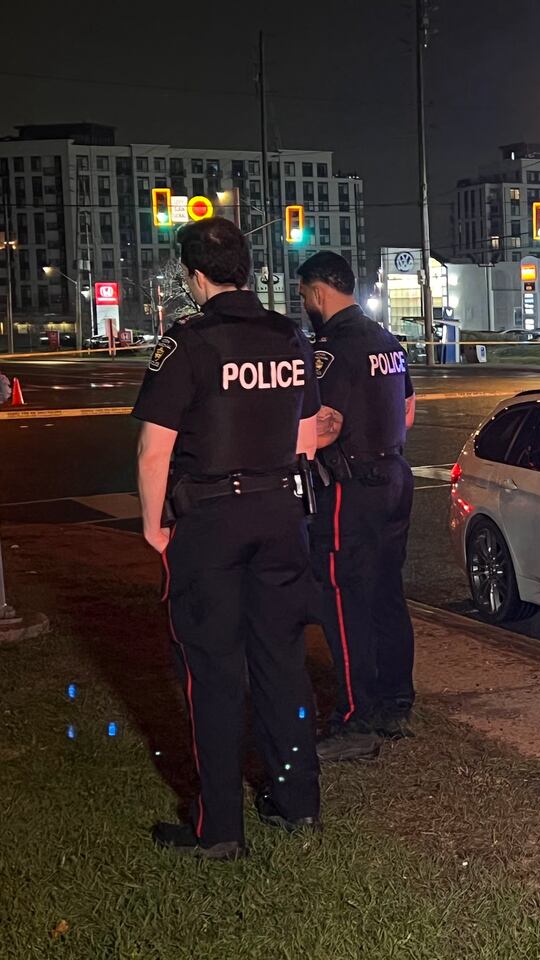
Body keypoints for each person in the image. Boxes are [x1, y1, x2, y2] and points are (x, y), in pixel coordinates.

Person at [133, 217, 321, 860]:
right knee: (281, 661)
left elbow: (155, 451)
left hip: (210, 522)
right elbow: (305, 438)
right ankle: (297, 803)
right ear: (246, 267)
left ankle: (220, 828)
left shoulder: (188, 342)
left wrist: (153, 525)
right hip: (280, 515)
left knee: (211, 672)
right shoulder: (289, 337)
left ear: (194, 276)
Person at [297, 252, 416, 762]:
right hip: (393, 476)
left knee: (343, 601)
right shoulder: (384, 340)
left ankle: (355, 717)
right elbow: (408, 408)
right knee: (387, 593)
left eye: (303, 296)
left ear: (319, 292)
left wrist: (297, 449)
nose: (304, 305)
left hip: (350, 487)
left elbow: (325, 424)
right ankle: (395, 700)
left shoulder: (332, 347)